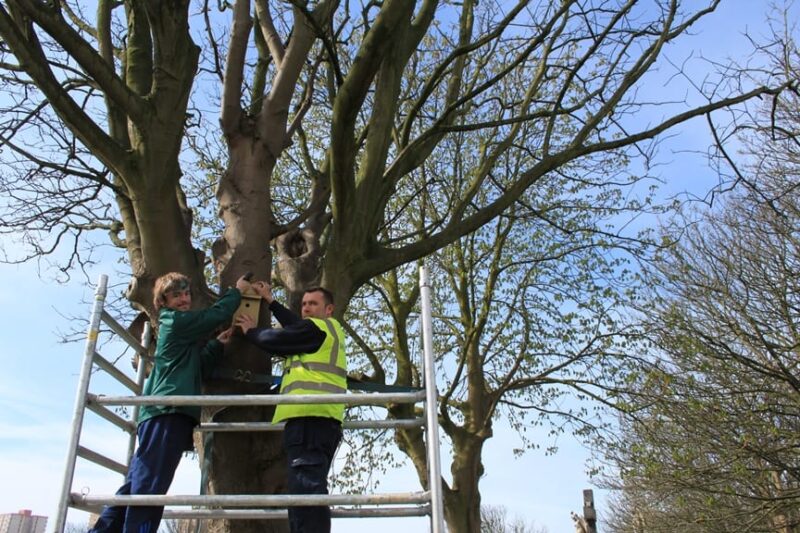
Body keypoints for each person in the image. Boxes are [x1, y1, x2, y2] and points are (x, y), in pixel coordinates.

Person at [89, 272, 251, 533]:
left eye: (186, 294)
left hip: (164, 413)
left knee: (136, 483)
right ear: (163, 301)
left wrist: (216, 347)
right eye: (176, 295)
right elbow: (213, 316)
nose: (184, 299)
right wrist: (236, 292)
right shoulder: (175, 322)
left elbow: (195, 366)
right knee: (150, 484)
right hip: (166, 411)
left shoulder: (179, 331)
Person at [236, 282, 347, 533]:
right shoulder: (321, 332)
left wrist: (251, 332)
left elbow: (279, 338)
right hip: (317, 420)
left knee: (306, 490)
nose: (306, 308)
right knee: (304, 490)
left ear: (328, 309)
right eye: (304, 304)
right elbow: (295, 325)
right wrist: (271, 302)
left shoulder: (317, 329)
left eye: (313, 304)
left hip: (311, 419)